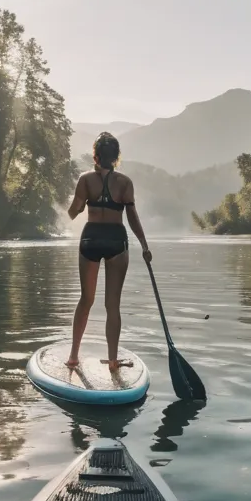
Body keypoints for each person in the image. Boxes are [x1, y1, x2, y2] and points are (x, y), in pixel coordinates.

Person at [66, 132, 151, 371]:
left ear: (96, 155)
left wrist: (79, 205)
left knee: (86, 300)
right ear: (116, 157)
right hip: (115, 239)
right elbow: (132, 218)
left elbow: (73, 212)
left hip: (91, 238)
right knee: (112, 304)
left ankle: (73, 357)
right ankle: (113, 361)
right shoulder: (125, 182)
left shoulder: (85, 180)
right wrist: (145, 246)